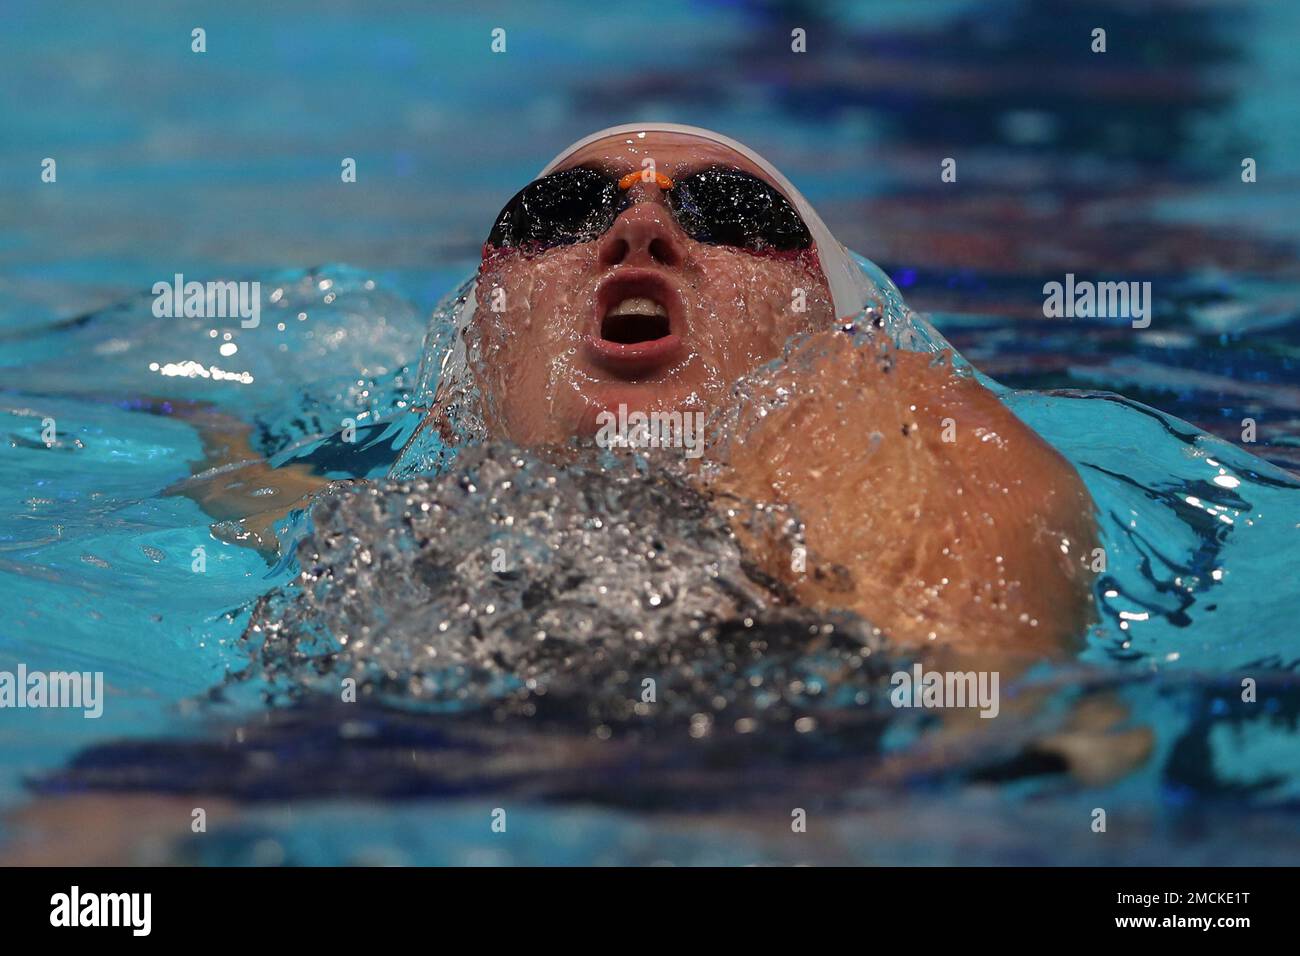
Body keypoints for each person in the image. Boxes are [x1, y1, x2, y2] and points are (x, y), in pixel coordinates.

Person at [426, 124, 1100, 654]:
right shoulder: (345, 505)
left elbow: (1010, 731)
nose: (640, 230)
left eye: (732, 213)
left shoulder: (958, 457)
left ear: (847, 346)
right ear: (465, 385)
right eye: (560, 213)